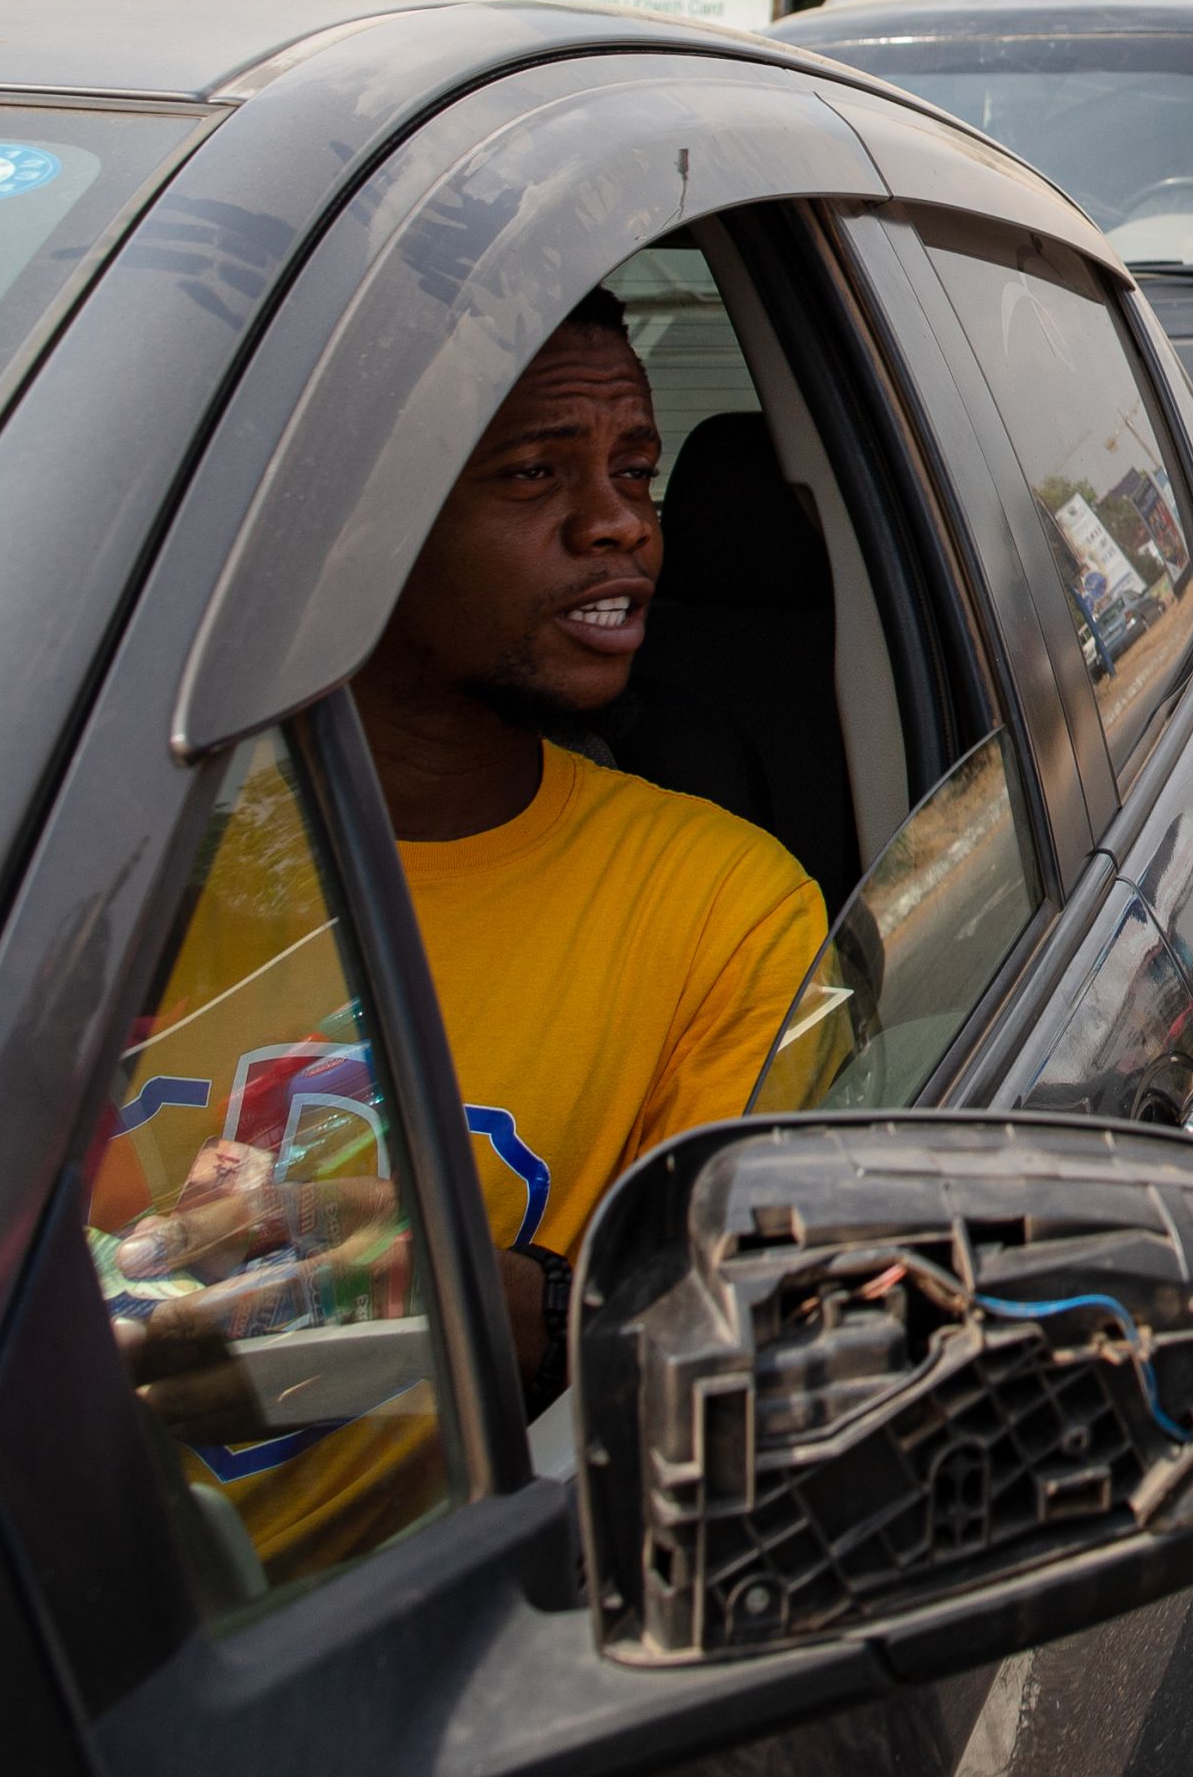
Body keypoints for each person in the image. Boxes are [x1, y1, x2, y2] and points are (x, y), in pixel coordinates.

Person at [108, 285, 827, 1569]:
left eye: (636, 470)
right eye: (532, 472)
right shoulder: (126, 860)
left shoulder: (721, 905)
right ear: (357, 530)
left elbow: (713, 1341)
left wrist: (484, 1294)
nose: (620, 523)